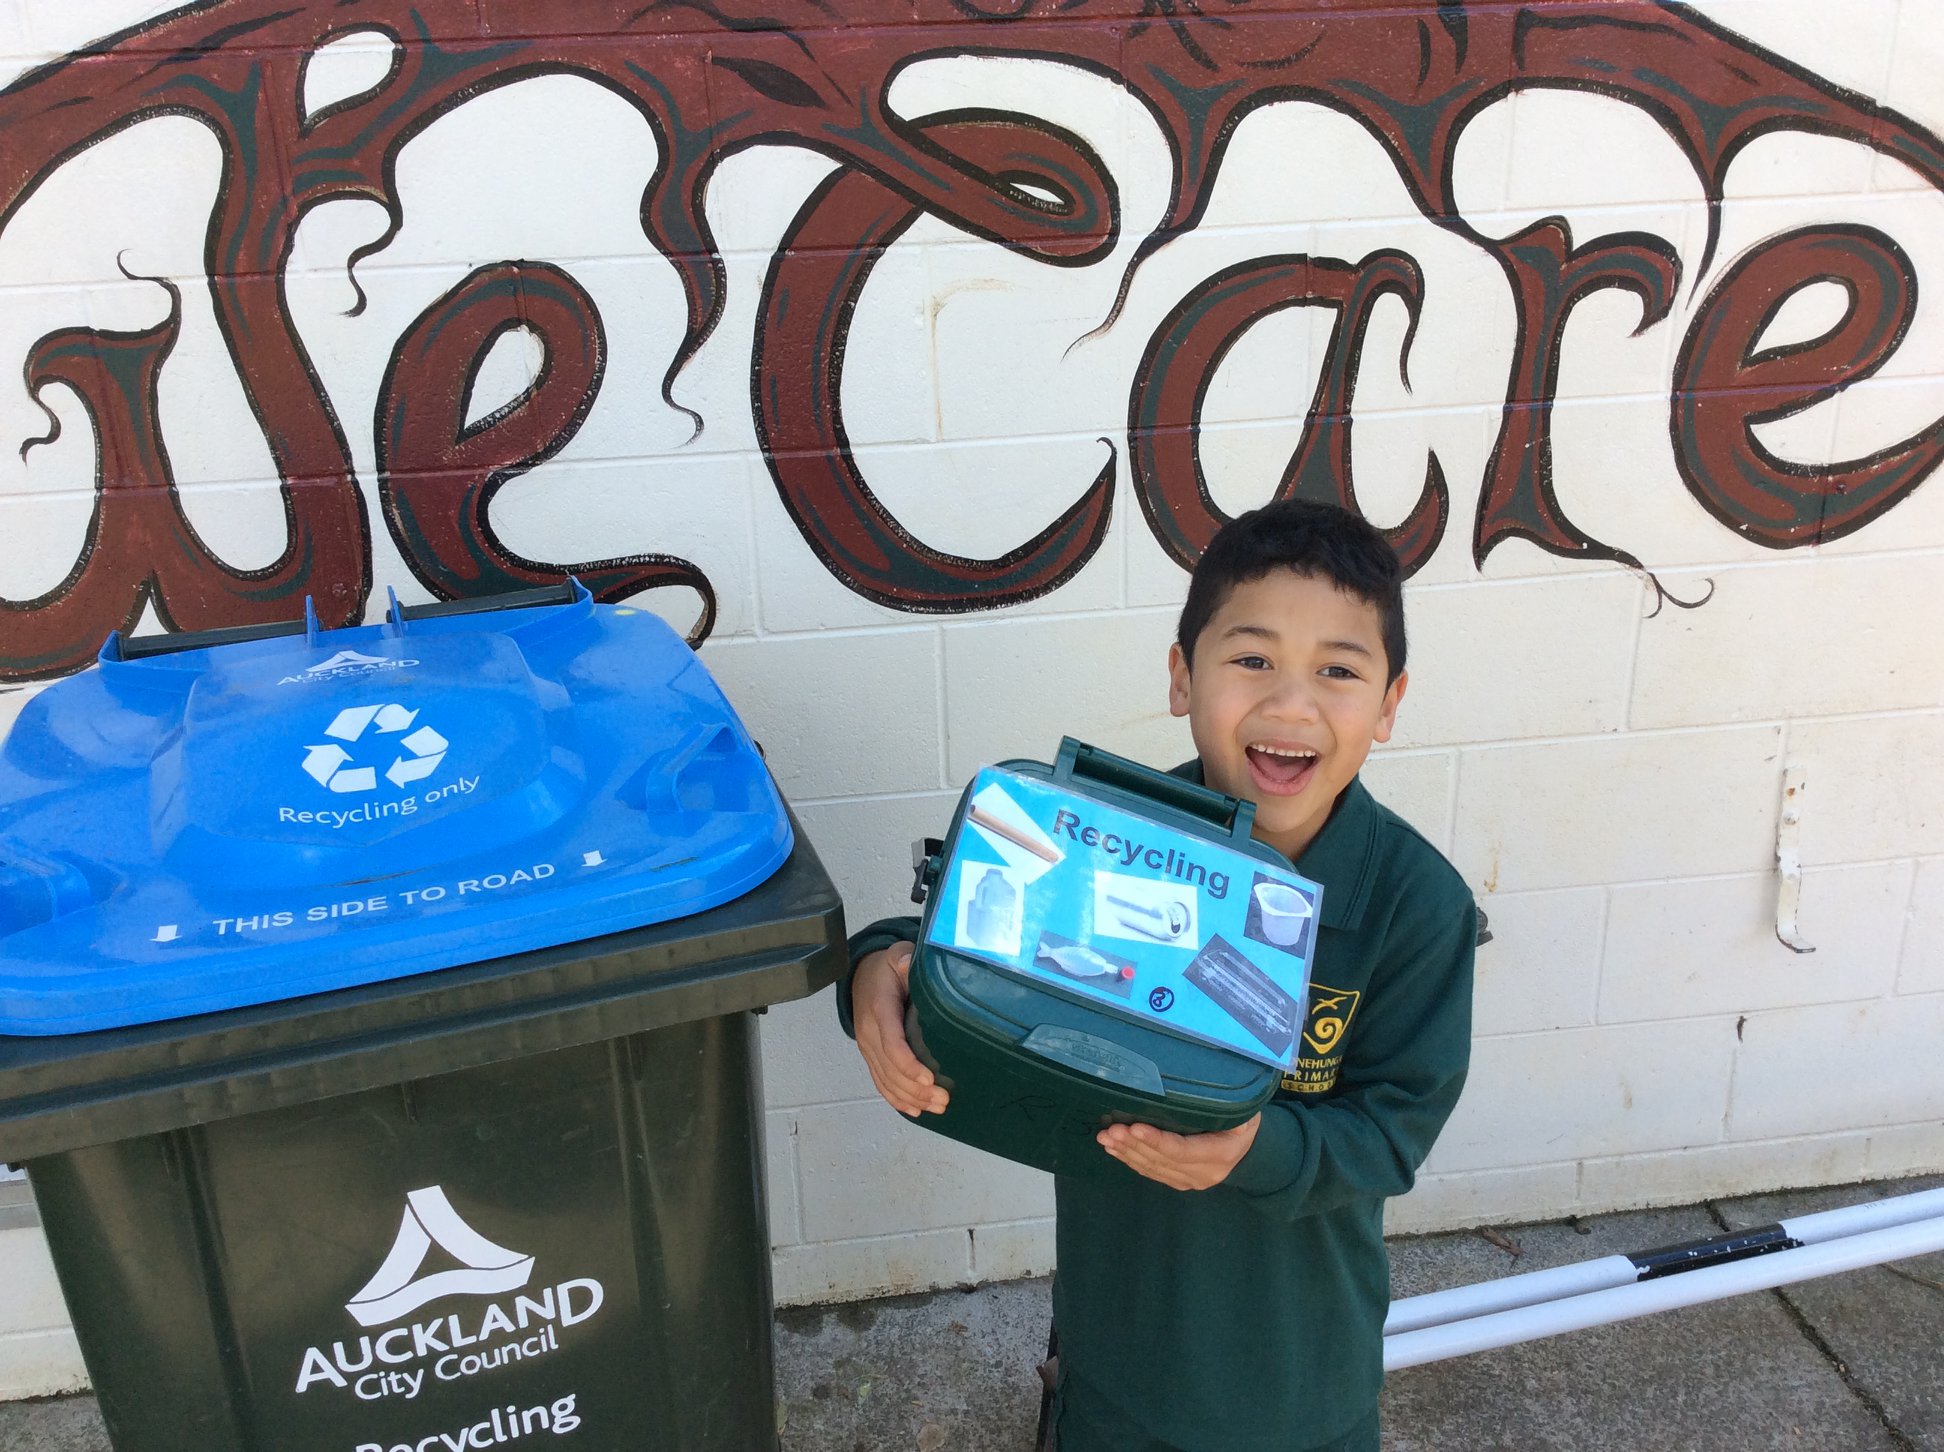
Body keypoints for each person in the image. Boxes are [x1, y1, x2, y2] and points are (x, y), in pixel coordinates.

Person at [838, 499, 1477, 1452]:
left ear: (1389, 704)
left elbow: (1390, 1138)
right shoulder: (1117, 840)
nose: (1291, 704)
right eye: (1252, 659)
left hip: (1304, 1390)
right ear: (1184, 678)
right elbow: (969, 926)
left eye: (1338, 671)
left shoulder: (1414, 903)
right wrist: (875, 973)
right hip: (1117, 1370)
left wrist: (1252, 1149)